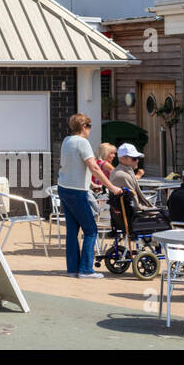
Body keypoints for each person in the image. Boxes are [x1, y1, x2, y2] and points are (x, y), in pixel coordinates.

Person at [57, 113, 123, 279]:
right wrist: (112, 187)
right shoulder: (83, 142)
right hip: (77, 192)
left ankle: (72, 269)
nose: (90, 130)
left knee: (72, 231)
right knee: (91, 230)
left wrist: (92, 185)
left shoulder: (67, 141)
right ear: (84, 127)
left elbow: (72, 166)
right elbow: (94, 167)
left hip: (64, 188)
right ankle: (86, 270)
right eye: (89, 127)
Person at [110, 143, 155, 209]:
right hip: (135, 215)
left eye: (137, 158)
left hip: (127, 215)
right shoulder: (122, 175)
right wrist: (153, 209)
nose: (137, 160)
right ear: (122, 159)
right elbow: (135, 204)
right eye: (134, 158)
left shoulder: (120, 172)